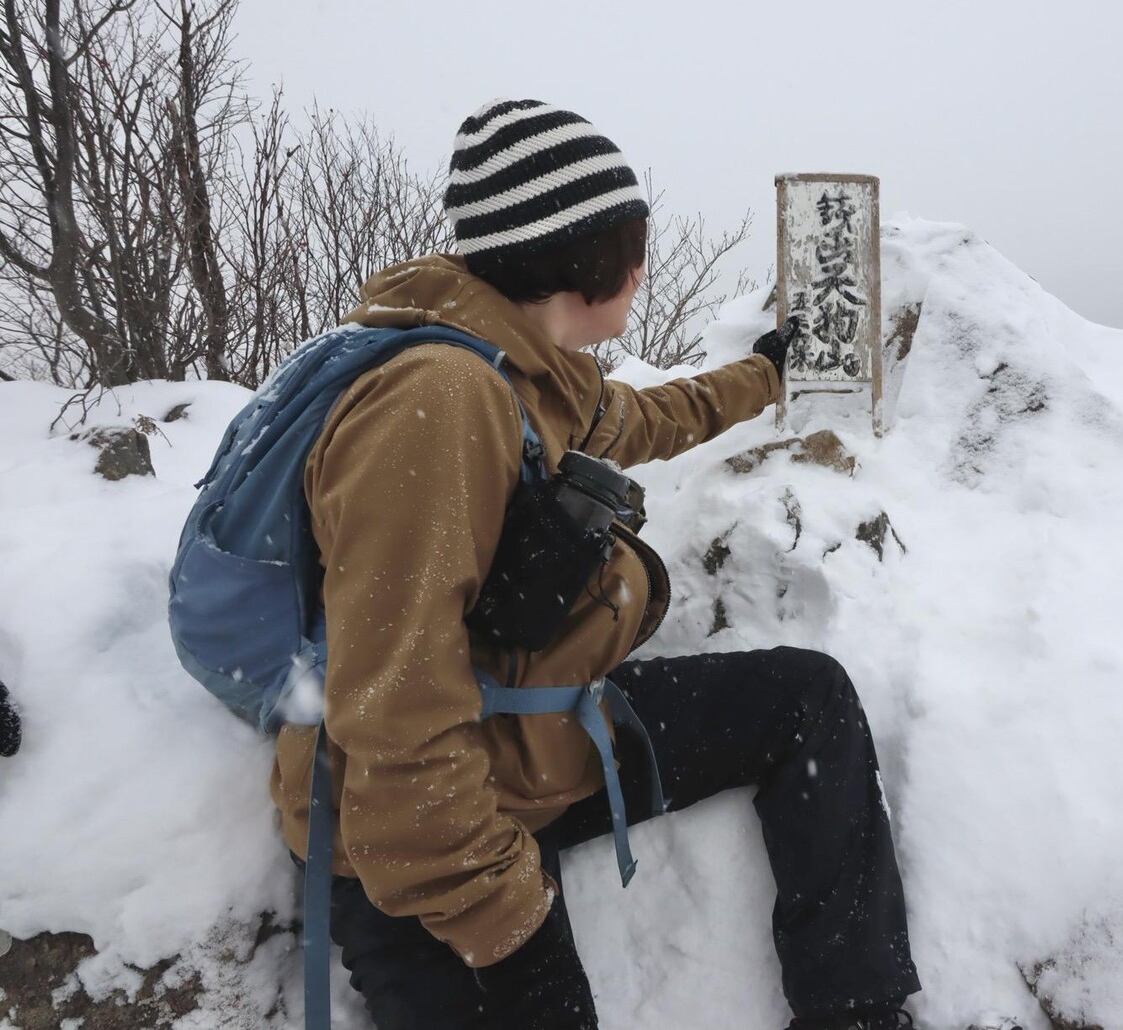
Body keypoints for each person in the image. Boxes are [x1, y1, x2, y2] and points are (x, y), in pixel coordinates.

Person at [268, 100, 920, 1030]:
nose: (643, 266)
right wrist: (521, 947)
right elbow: (396, 724)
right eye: (631, 241)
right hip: (403, 842)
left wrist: (766, 374)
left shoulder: (516, 366)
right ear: (582, 259)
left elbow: (639, 418)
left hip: (507, 742)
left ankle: (855, 1011)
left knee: (806, 699)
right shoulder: (438, 402)